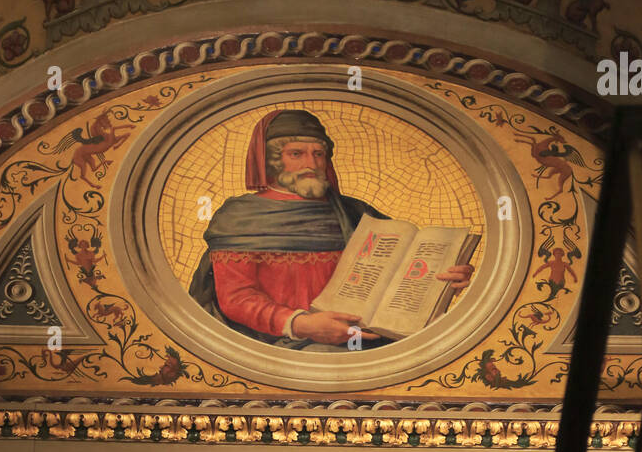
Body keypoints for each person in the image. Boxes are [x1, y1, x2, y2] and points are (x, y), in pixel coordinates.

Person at [189, 108, 473, 348]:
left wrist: (446, 277)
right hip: (280, 345)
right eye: (297, 154)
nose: (312, 164)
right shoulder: (240, 217)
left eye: (319, 154)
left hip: (371, 341)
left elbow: (404, 273)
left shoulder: (354, 212)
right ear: (273, 160)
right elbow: (237, 297)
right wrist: (302, 324)